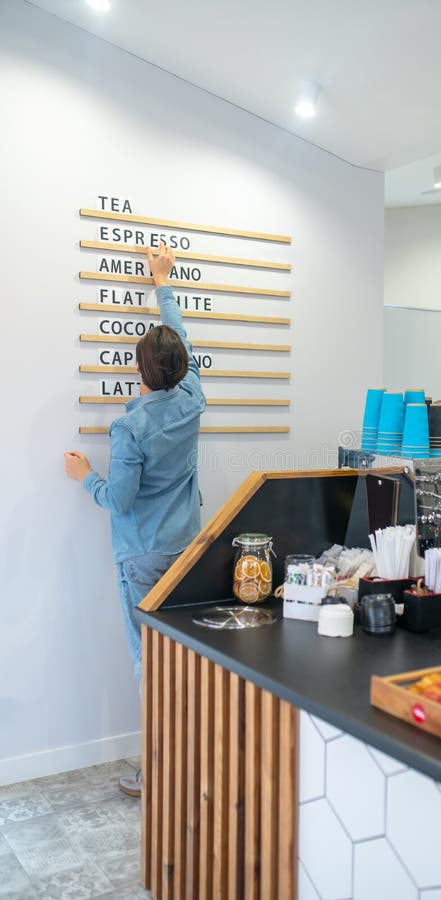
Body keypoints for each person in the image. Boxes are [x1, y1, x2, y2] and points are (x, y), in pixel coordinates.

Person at [65, 242, 205, 796]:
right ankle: (190, 760)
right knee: (184, 657)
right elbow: (184, 344)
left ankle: (158, 772)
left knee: (151, 663)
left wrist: (85, 477)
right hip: (186, 547)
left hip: (143, 555)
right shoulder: (192, 397)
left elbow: (119, 500)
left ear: (140, 370)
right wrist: (162, 284)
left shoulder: (130, 429)